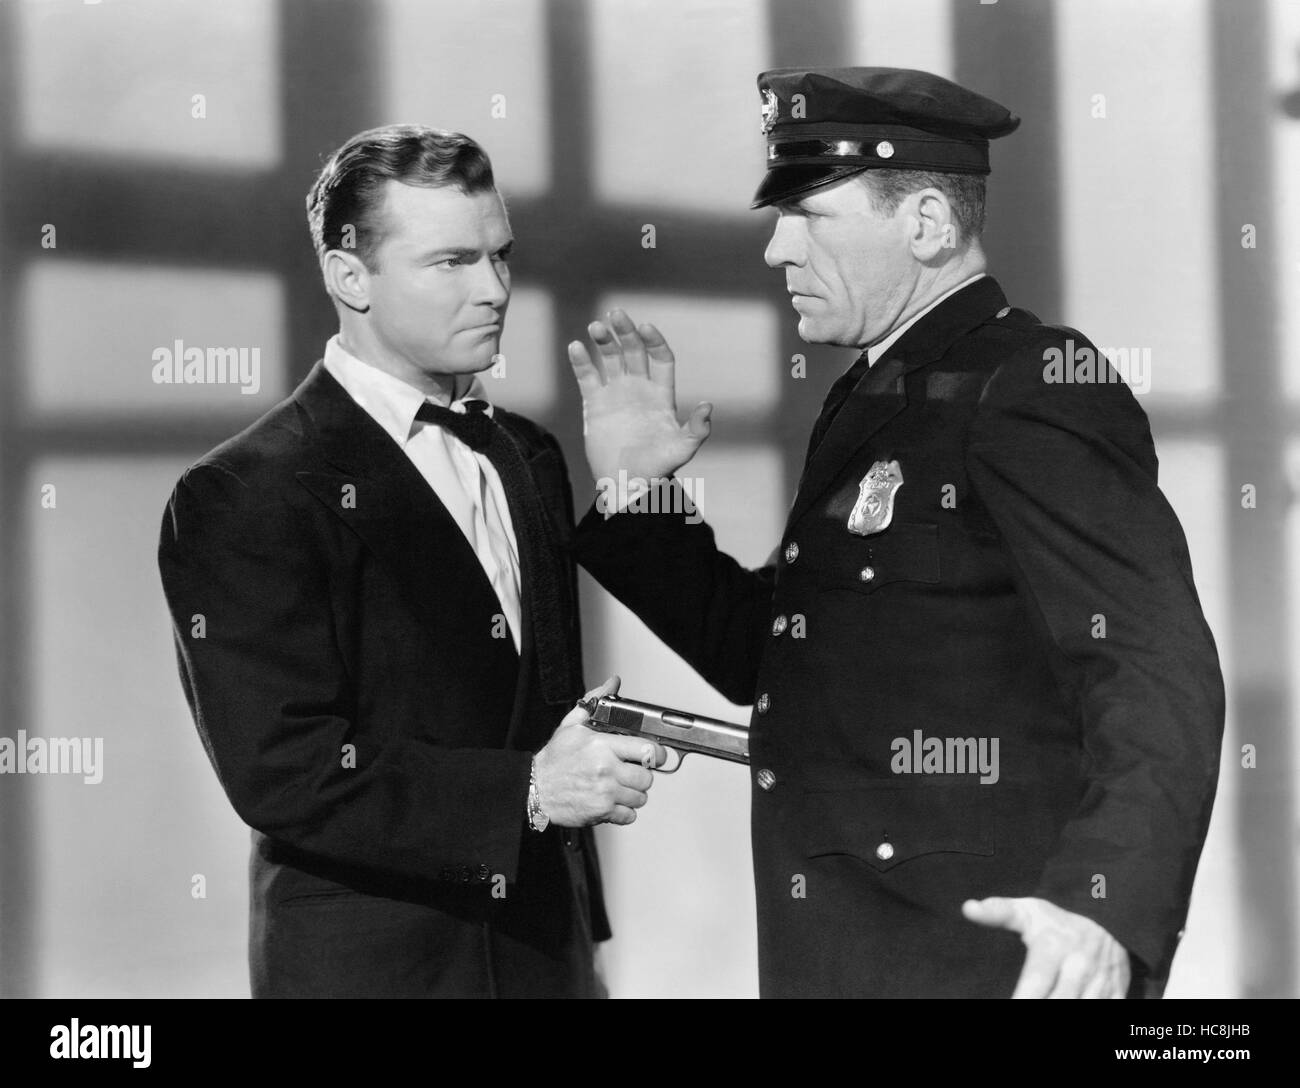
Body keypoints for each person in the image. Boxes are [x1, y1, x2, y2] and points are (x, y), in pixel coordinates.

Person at [567, 68, 1225, 998]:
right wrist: (640, 495)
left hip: (983, 961)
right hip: (849, 953)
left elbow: (1156, 672)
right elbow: (776, 655)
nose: (776, 251)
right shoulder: (875, 395)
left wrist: (1103, 908)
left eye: (810, 216)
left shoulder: (1031, 383)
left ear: (925, 223)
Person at [157, 124, 662, 998]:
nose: (495, 290)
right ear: (348, 275)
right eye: (451, 263)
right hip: (378, 970)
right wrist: (530, 790)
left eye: (501, 256)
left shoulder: (526, 454)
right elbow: (283, 770)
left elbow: (544, 710)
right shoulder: (244, 491)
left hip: (547, 954)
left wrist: (588, 942)